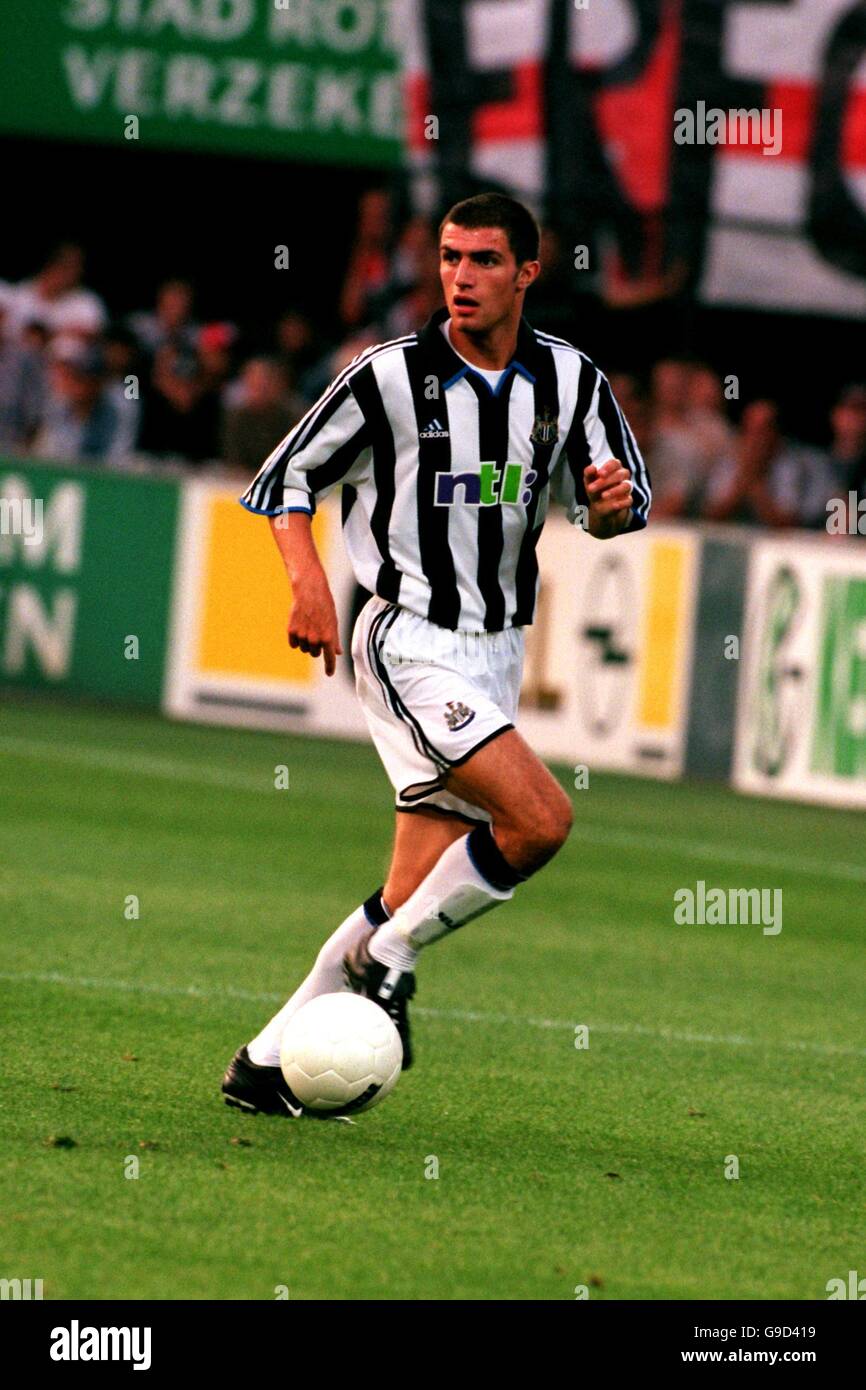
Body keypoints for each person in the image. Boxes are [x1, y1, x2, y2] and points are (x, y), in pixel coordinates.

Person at [222, 192, 651, 1116]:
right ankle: (393, 959)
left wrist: (610, 509)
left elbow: (619, 503)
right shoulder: (388, 376)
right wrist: (307, 582)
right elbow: (284, 478)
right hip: (405, 636)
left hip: (496, 647)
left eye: (485, 261)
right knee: (540, 821)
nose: (460, 276)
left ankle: (264, 1065)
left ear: (527, 273)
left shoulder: (571, 381)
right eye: (451, 257)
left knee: (412, 885)